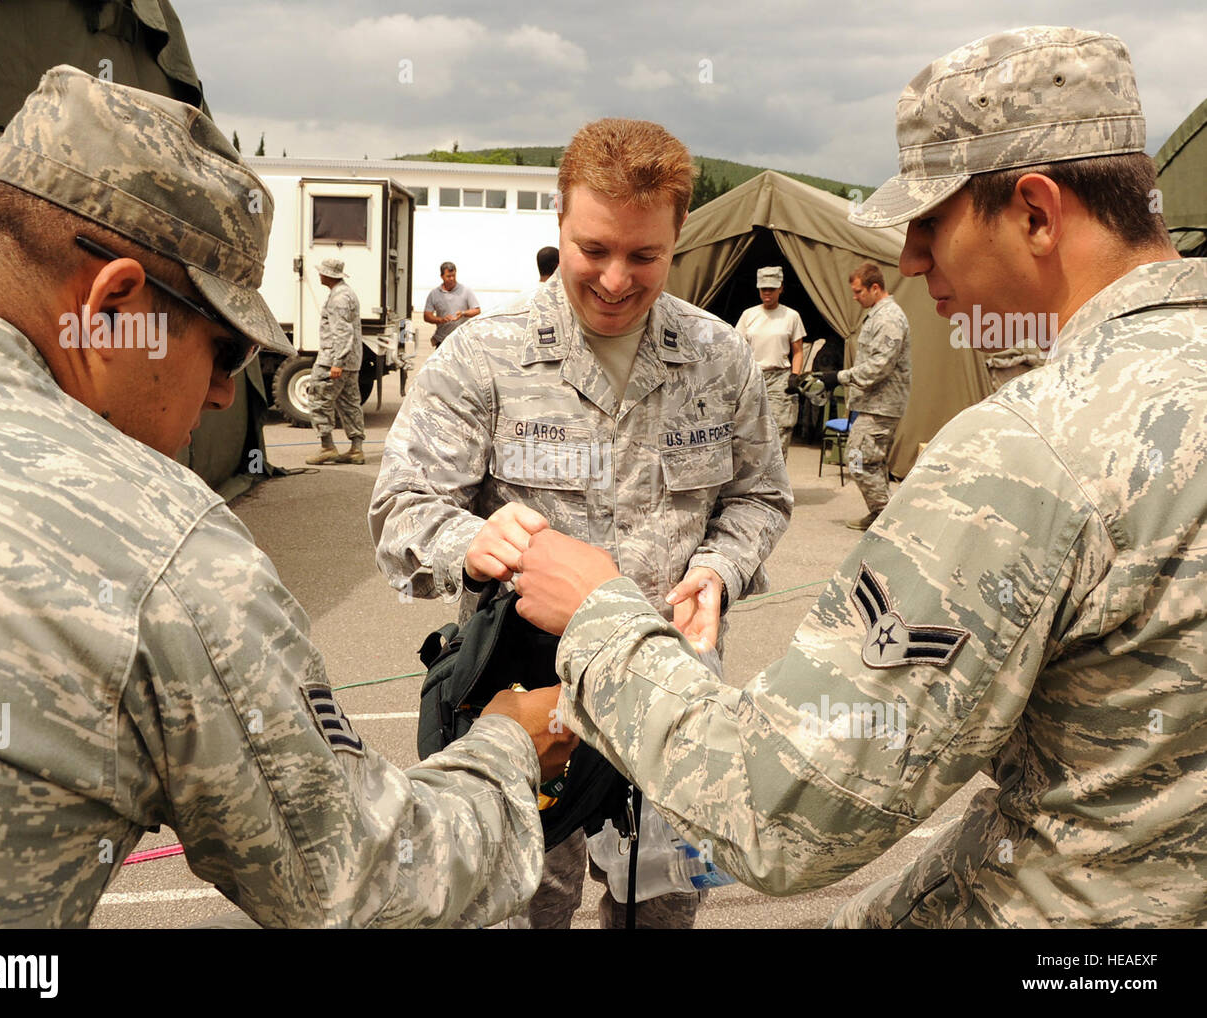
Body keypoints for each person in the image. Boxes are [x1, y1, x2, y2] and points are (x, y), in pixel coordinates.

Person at [512, 26, 1207, 928]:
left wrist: (603, 617)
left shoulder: (1032, 449)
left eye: (932, 221)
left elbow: (784, 810)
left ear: (1037, 211)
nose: (912, 260)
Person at [0, 65, 575, 929]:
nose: (227, 395)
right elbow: (363, 883)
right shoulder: (158, 547)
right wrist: (511, 745)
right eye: (224, 351)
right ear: (113, 308)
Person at [370, 118, 791, 929]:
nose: (613, 278)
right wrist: (469, 542)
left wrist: (717, 573)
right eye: (592, 249)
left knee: (663, 904)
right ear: (558, 224)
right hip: (531, 701)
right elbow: (400, 509)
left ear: (678, 241)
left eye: (644, 256)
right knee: (533, 898)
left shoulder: (719, 357)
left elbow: (759, 498)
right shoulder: (480, 357)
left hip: (671, 693)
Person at [816, 262, 910, 530]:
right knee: (872, 460)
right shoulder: (878, 315)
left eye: (858, 292)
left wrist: (839, 377)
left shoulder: (888, 318)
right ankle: (880, 513)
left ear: (875, 288)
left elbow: (879, 367)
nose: (855, 297)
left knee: (857, 460)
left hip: (881, 405)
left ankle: (884, 517)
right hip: (873, 403)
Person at [734, 266, 806, 463]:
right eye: (763, 288)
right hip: (754, 376)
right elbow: (738, 348)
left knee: (780, 429)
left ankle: (777, 480)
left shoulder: (791, 316)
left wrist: (795, 375)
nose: (767, 292)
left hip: (780, 377)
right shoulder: (749, 315)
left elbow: (797, 350)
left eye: (771, 288)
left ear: (781, 288)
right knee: (749, 430)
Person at [305, 258, 366, 465]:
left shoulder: (339, 298)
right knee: (350, 404)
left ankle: (327, 447)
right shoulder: (345, 293)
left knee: (319, 400)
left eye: (321, 272)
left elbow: (342, 331)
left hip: (333, 358)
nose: (319, 275)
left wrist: (337, 362)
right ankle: (356, 450)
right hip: (352, 360)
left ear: (328, 275)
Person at [423, 261, 480, 347]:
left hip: (462, 341)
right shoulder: (434, 294)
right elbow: (427, 316)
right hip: (442, 341)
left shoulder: (466, 291)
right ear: (441, 276)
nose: (452, 278)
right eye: (448, 276)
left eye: (453, 275)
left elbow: (477, 310)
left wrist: (463, 313)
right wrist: (441, 320)